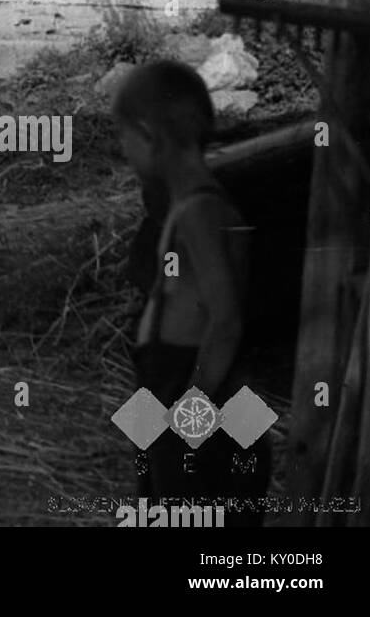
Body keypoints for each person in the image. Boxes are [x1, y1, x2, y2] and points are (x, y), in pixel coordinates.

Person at [112, 60, 270, 526]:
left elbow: (226, 320)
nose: (123, 150)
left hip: (191, 384)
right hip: (164, 379)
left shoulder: (201, 210)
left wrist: (189, 410)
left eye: (124, 137)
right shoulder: (192, 205)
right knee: (154, 499)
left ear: (148, 136)